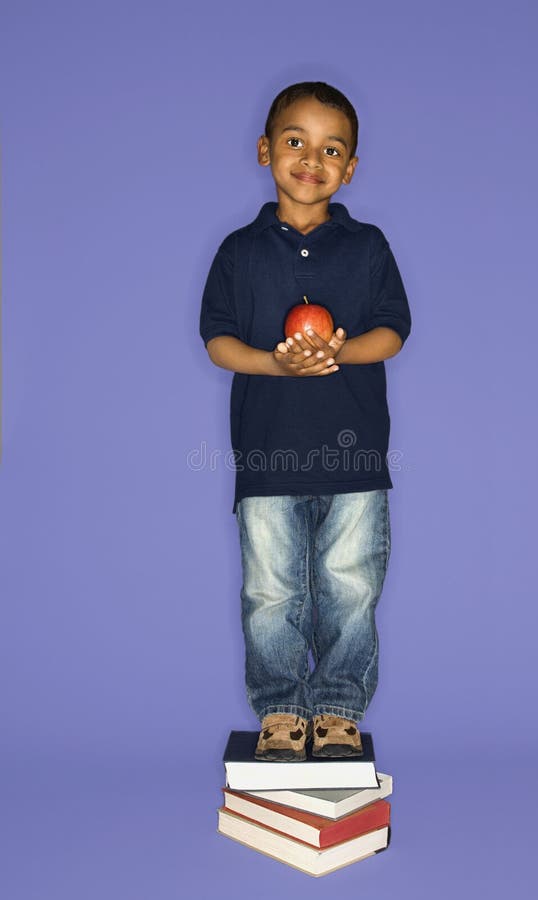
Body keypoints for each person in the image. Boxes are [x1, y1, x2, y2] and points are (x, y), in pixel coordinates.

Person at [200, 81, 411, 761]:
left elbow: (394, 333)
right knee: (271, 592)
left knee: (351, 587)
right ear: (266, 151)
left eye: (331, 149)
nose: (311, 159)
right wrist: (277, 364)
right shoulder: (239, 251)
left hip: (355, 460)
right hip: (267, 458)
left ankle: (341, 709)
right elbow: (218, 341)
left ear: (350, 169)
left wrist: (339, 351)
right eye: (296, 141)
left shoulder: (369, 247)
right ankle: (284, 710)